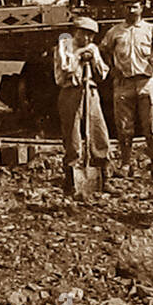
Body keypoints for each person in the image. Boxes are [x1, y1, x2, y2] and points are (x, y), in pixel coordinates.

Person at [99, 0, 153, 181]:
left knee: (152, 126)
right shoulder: (115, 32)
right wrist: (111, 68)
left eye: (135, 7)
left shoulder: (151, 29)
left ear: (142, 8)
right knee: (124, 127)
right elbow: (103, 49)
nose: (131, 10)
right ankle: (126, 164)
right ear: (123, 8)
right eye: (128, 7)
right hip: (123, 84)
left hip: (146, 82)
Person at [53, 16, 111, 193]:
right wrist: (79, 56)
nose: (86, 39)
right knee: (72, 136)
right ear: (75, 32)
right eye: (83, 34)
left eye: (91, 36)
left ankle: (104, 176)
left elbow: (103, 74)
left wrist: (93, 59)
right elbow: (65, 68)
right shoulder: (64, 45)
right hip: (70, 91)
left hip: (90, 92)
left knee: (99, 132)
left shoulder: (92, 48)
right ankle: (71, 177)